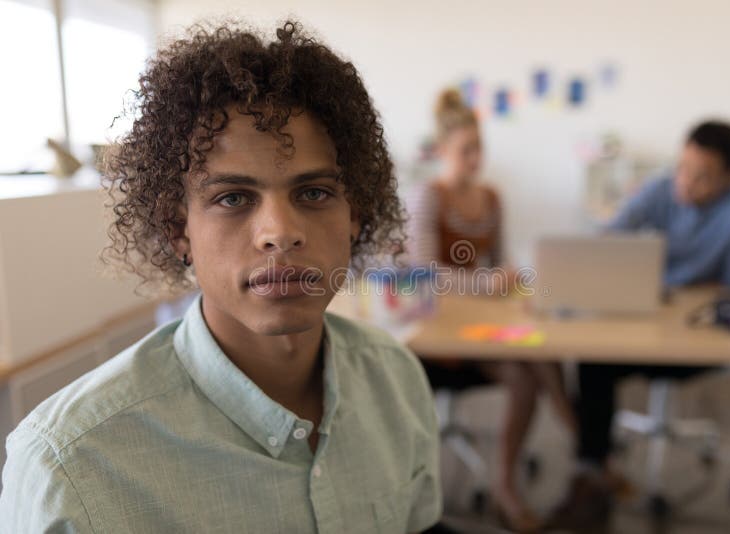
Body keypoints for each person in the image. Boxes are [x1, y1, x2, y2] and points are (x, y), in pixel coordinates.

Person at [0, 21, 442, 533]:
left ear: (356, 216)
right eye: (233, 198)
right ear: (177, 229)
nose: (279, 233)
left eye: (314, 193)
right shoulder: (73, 468)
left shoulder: (396, 380)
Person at [547, 120, 730, 530]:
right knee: (592, 358)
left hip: (702, 342)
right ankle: (593, 469)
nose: (686, 183)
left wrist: (674, 287)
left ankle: (595, 466)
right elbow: (608, 241)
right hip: (646, 325)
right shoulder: (661, 188)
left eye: (703, 177)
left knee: (601, 360)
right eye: (683, 168)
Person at [407, 89, 575, 533]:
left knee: (541, 351)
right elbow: (425, 273)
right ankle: (574, 439)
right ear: (442, 150)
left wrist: (513, 279)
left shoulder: (493, 200)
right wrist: (484, 283)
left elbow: (498, 262)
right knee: (528, 372)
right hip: (440, 327)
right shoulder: (429, 197)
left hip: (481, 320)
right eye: (466, 150)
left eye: (479, 148)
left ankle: (523, 471)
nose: (475, 158)